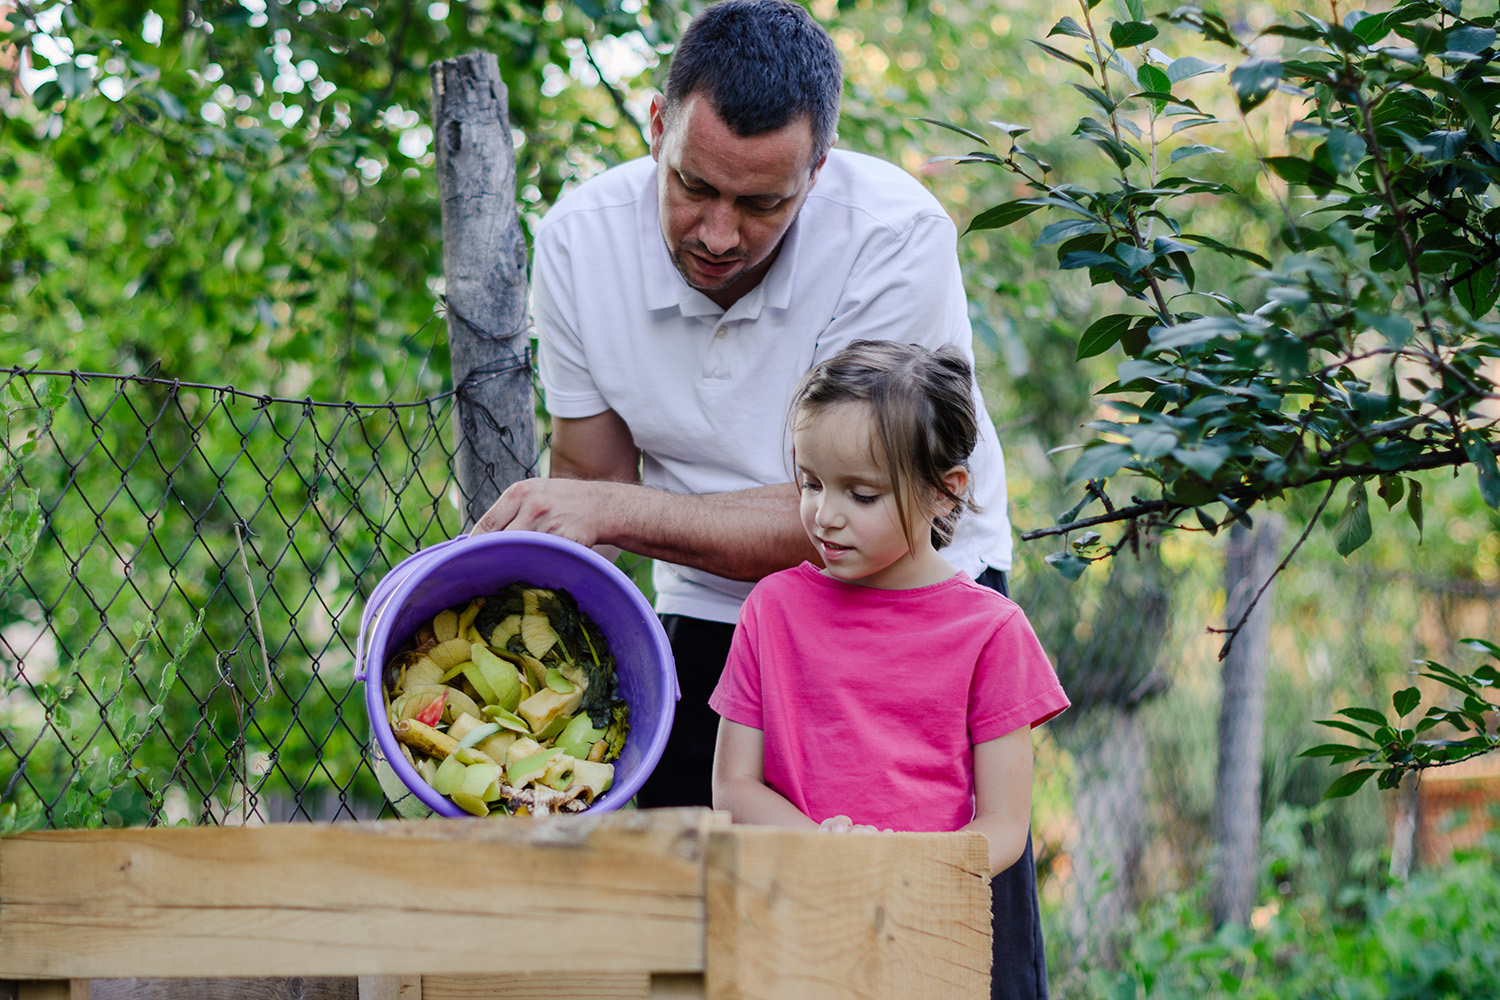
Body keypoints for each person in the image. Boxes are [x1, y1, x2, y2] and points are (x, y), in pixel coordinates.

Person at [473, 0, 1016, 809]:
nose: (719, 234)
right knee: (690, 895)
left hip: (901, 601)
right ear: (658, 126)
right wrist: (527, 665)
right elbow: (595, 476)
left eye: (763, 204)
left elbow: (855, 513)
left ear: (819, 169)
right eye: (695, 185)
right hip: (702, 601)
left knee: (911, 896)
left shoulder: (894, 236)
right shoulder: (577, 243)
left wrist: (610, 511)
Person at [709, 340, 1069, 1000]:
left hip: (932, 944)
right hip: (792, 934)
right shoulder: (772, 609)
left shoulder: (991, 632)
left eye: (862, 493)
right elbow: (733, 788)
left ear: (942, 492)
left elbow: (1004, 828)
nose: (826, 514)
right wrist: (832, 853)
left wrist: (901, 873)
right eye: (811, 483)